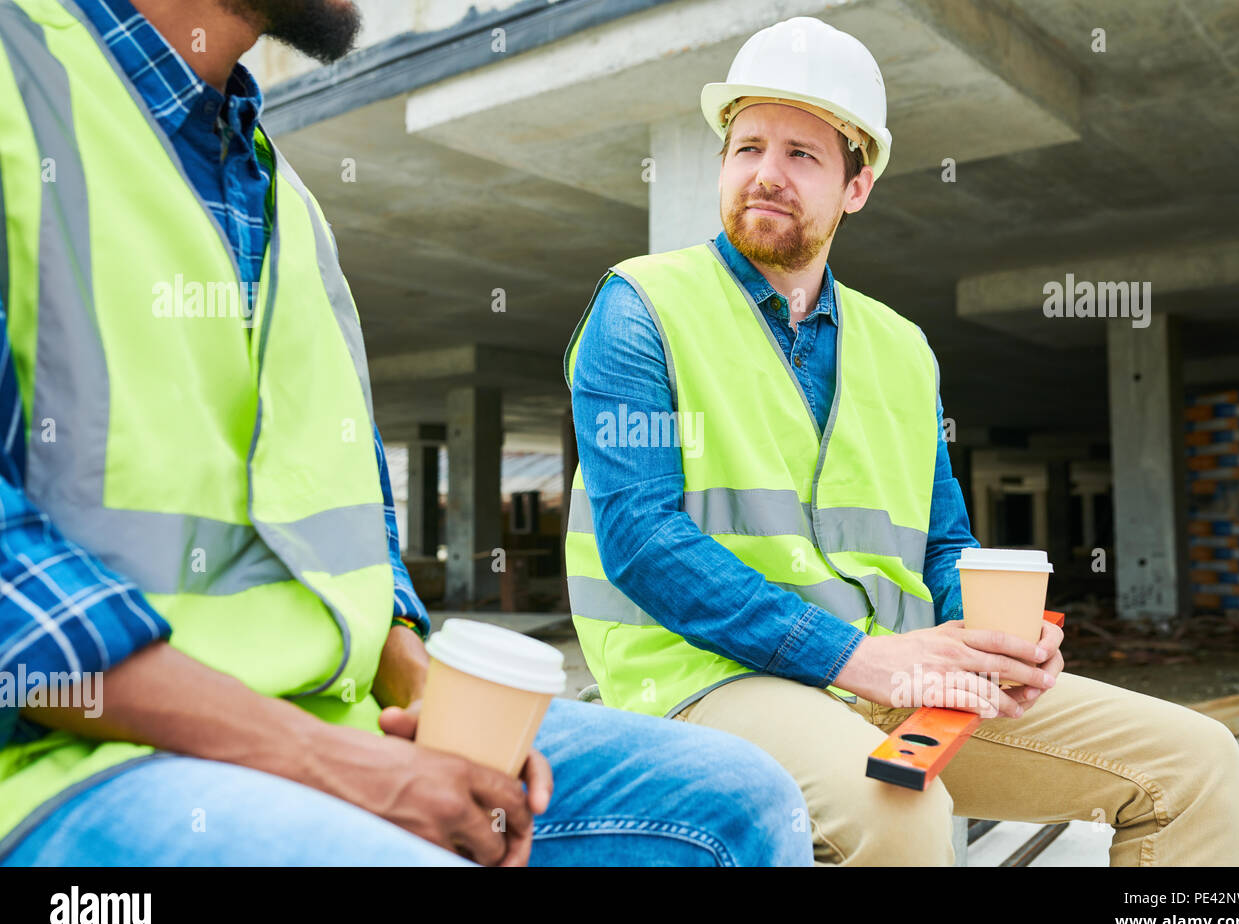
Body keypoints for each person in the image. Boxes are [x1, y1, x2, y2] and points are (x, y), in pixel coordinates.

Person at [0, 0, 813, 868]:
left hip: (336, 714)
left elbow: (345, 527)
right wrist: (329, 762)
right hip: (66, 760)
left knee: (741, 805)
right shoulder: (21, 83)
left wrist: (431, 695)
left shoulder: (288, 205)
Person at [565, 15, 1239, 866]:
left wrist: (994, 633)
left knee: (1195, 764)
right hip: (704, 680)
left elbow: (943, 542)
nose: (766, 176)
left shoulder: (900, 347)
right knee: (897, 807)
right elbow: (640, 539)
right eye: (747, 148)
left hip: (889, 675)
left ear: (858, 185)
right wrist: (855, 657)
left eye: (802, 155)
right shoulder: (641, 309)